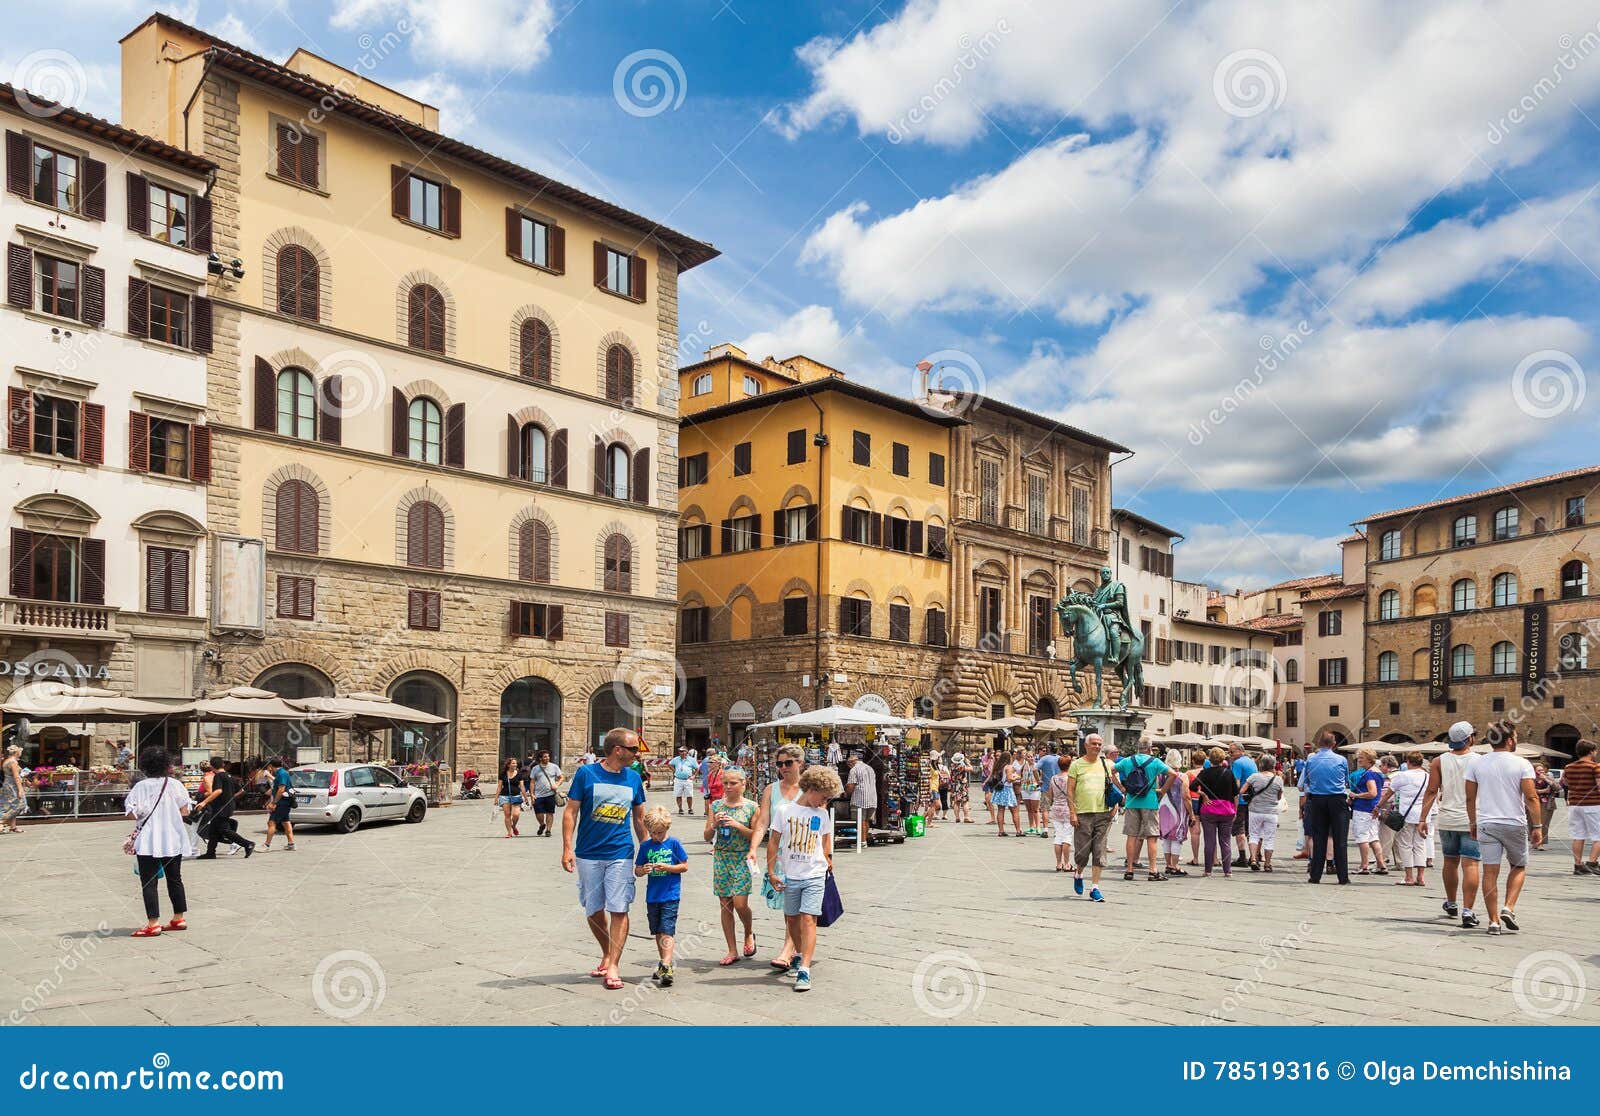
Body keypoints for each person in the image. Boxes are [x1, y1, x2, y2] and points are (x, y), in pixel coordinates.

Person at [561, 727, 648, 991]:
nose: (638, 753)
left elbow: (639, 818)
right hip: (588, 853)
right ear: (617, 750)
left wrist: (646, 851)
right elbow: (570, 812)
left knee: (619, 907)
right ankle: (607, 952)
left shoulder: (633, 778)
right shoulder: (586, 774)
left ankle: (614, 966)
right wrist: (567, 848)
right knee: (593, 909)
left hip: (621, 852)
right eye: (634, 749)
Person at [767, 764, 841, 993]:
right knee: (792, 920)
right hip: (790, 875)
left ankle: (804, 969)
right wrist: (771, 872)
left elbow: (826, 839)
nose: (824, 802)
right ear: (812, 789)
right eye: (824, 796)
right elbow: (773, 842)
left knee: (808, 919)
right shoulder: (784, 811)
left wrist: (828, 858)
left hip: (814, 875)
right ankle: (799, 955)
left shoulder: (822, 814)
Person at [1466, 722, 1540, 935]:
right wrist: (1538, 826)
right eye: (1515, 737)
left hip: (1487, 823)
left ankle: (1493, 922)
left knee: (1490, 872)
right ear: (1509, 740)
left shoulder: (1477, 764)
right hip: (1514, 823)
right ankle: (1508, 907)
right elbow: (1531, 796)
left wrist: (1473, 823)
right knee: (1518, 866)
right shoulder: (1522, 764)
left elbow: (1470, 797)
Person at [1418, 721, 1482, 927]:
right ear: (1470, 738)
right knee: (1470, 863)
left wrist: (1422, 818)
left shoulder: (1438, 761)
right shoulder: (1479, 761)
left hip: (1447, 819)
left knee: (1450, 861)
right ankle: (1468, 910)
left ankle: (1452, 903)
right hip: (1471, 819)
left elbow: (1431, 791)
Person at [124, 749, 194, 937]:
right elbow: (185, 811)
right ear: (166, 765)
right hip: (173, 838)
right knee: (175, 878)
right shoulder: (175, 784)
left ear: (145, 765)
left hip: (149, 839)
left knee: (149, 882)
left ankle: (153, 922)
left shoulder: (140, 787)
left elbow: (132, 813)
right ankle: (178, 918)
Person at [752, 742, 804, 971]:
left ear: (800, 763)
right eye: (779, 764)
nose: (783, 768)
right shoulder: (771, 790)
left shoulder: (810, 787)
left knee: (798, 905)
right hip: (780, 854)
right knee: (787, 904)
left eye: (788, 763)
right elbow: (763, 821)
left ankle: (788, 950)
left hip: (804, 853)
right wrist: (753, 848)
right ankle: (795, 948)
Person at [706, 766, 758, 965]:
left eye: (733, 783)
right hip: (722, 857)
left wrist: (737, 825)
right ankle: (732, 949)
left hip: (742, 858)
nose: (727, 787)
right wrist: (715, 825)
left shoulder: (752, 807)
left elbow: (756, 834)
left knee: (740, 903)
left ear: (743, 784)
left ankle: (748, 931)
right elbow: (706, 837)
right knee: (725, 905)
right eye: (725, 783)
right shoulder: (716, 806)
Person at [634, 805, 689, 986]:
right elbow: (638, 870)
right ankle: (664, 963)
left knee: (667, 929)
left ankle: (666, 963)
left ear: (666, 828)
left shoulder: (674, 844)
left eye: (659, 833)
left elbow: (684, 866)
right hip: (653, 896)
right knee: (657, 930)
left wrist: (668, 868)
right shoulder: (646, 846)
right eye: (652, 833)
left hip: (670, 894)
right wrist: (644, 869)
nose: (655, 837)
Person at [1065, 733, 1121, 901]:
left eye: (1099, 744)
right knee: (1082, 852)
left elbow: (1115, 787)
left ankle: (1095, 887)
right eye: (1094, 744)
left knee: (1099, 851)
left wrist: (1116, 805)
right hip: (1082, 814)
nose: (1097, 746)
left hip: (1103, 813)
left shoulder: (1107, 763)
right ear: (1086, 746)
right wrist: (1072, 812)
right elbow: (1070, 791)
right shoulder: (1076, 765)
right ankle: (1078, 874)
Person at [1115, 738, 1172, 882]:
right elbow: (1173, 774)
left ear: (1138, 747)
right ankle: (1153, 870)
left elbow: (1111, 770)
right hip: (1150, 802)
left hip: (1131, 802)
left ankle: (1129, 870)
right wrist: (1163, 790)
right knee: (1152, 837)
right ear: (1150, 748)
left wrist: (1122, 788)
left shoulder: (1128, 760)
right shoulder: (1155, 762)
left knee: (1131, 836)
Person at [1379, 751, 1430, 886]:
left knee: (1405, 845)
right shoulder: (1427, 776)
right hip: (1423, 815)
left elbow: (1388, 793)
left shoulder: (1403, 775)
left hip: (1406, 814)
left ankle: (1409, 877)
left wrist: (1377, 806)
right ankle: (1421, 877)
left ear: (1408, 762)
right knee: (1420, 844)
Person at [1193, 747, 1240, 877]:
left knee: (1209, 841)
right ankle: (1227, 871)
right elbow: (1236, 794)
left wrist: (1203, 794)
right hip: (1227, 810)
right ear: (1223, 759)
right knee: (1225, 841)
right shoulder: (1229, 773)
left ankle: (1208, 870)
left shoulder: (1205, 773)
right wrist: (1235, 810)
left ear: (1210, 759)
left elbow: (1192, 786)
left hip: (1209, 810)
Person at [195, 757, 253, 858]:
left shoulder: (219, 776)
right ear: (222, 765)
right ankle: (210, 853)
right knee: (213, 830)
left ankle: (247, 844)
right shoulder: (229, 776)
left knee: (224, 830)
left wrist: (204, 802)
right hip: (227, 806)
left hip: (221, 807)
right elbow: (242, 791)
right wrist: (231, 798)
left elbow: (218, 791)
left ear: (212, 767)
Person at [1561, 739, 1600, 875]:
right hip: (1593, 805)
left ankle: (1578, 865)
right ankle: (1592, 863)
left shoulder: (1568, 767)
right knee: (1598, 836)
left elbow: (1565, 783)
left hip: (1575, 805)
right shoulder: (1595, 767)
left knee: (1578, 836)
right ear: (1591, 752)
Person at [1242, 755, 1284, 871]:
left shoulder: (1254, 777)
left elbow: (1241, 791)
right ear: (1273, 765)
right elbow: (1279, 797)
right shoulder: (1278, 779)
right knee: (1269, 838)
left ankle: (1254, 859)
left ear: (1261, 764)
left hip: (1255, 810)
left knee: (1254, 835)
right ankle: (1267, 864)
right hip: (1271, 812)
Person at [1349, 748, 1388, 875]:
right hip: (1372, 809)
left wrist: (1355, 795)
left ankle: (1364, 865)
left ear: (1369, 759)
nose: (1359, 760)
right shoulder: (1379, 773)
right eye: (1359, 757)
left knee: (1362, 837)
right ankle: (1381, 864)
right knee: (1373, 838)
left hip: (1363, 809)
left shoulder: (1369, 774)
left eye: (1362, 758)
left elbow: (1372, 793)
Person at [1158, 748, 1190, 877]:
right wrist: (1191, 813)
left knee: (1166, 837)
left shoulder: (1160, 774)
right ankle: (1175, 865)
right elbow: (1186, 795)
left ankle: (1168, 864)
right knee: (1177, 837)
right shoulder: (1182, 776)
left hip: (1163, 806)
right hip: (1178, 808)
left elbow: (1158, 790)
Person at [1227, 743, 1258, 868]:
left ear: (1240, 751)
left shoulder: (1238, 763)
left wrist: (1230, 796)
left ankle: (1242, 857)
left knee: (1239, 828)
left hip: (1241, 801)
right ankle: (1254, 856)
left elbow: (1236, 783)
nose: (1230, 754)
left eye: (1232, 752)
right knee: (1251, 829)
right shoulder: (1252, 762)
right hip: (1252, 799)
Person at [1045, 758, 1074, 871]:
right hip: (1068, 809)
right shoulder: (1070, 778)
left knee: (1058, 836)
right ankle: (1067, 864)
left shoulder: (1054, 778)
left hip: (1056, 809)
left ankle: (1058, 863)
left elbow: (1050, 795)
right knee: (1067, 837)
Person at [262, 757, 296, 851]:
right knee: (286, 822)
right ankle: (291, 843)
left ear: (270, 766)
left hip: (282, 802)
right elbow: (277, 788)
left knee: (271, 822)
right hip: (284, 801)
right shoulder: (281, 773)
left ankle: (266, 845)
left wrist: (273, 803)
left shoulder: (281, 774)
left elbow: (281, 789)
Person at [990, 750, 1022, 836]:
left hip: (999, 789)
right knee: (1014, 810)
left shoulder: (998, 766)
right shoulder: (1009, 767)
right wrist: (1017, 777)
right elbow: (1009, 779)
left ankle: (1001, 831)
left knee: (1000, 810)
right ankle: (1018, 831)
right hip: (1007, 789)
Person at [1185, 750, 1207, 865]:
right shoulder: (1207, 772)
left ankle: (1195, 858)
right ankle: (1214, 858)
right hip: (1205, 800)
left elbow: (1186, 789)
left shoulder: (1189, 773)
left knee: (1195, 832)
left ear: (1193, 761)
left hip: (1193, 800)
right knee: (1209, 831)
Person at [497, 756, 526, 838]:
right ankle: (509, 832)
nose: (515, 765)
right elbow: (499, 786)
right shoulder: (503, 774)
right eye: (513, 763)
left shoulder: (519, 774)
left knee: (516, 814)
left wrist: (526, 797)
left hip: (516, 795)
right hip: (504, 796)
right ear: (508, 765)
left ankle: (513, 826)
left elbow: (522, 786)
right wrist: (496, 798)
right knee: (507, 815)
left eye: (516, 763)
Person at [1531, 761, 1557, 851]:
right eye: (1539, 770)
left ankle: (1540, 843)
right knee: (1533, 823)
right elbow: (1528, 791)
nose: (1541, 772)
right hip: (1533, 803)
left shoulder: (1548, 778)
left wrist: (1546, 779)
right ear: (1534, 771)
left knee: (1544, 824)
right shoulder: (1530, 779)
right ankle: (1535, 842)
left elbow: (1558, 788)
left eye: (1542, 770)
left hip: (1547, 804)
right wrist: (1542, 791)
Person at [0, 743, 26, 833]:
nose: (21, 753)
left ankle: (13, 826)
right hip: (13, 786)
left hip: (7, 785)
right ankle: (1, 823)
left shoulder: (7, 761)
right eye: (20, 752)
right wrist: (20, 790)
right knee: (19, 805)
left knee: (12, 805)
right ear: (17, 752)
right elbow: (16, 777)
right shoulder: (13, 762)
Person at [670, 746, 698, 815]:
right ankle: (680, 809)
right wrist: (674, 771)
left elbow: (697, 768)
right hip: (678, 779)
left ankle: (690, 808)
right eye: (680, 751)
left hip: (687, 779)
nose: (681, 753)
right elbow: (670, 764)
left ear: (687, 752)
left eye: (683, 751)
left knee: (689, 795)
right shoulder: (676, 759)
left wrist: (694, 776)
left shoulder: (691, 760)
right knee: (678, 794)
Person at [949, 751, 973, 823]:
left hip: (955, 785)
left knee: (956, 802)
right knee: (965, 801)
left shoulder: (952, 766)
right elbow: (971, 769)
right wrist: (968, 762)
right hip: (962, 785)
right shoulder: (961, 766)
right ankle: (966, 817)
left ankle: (957, 817)